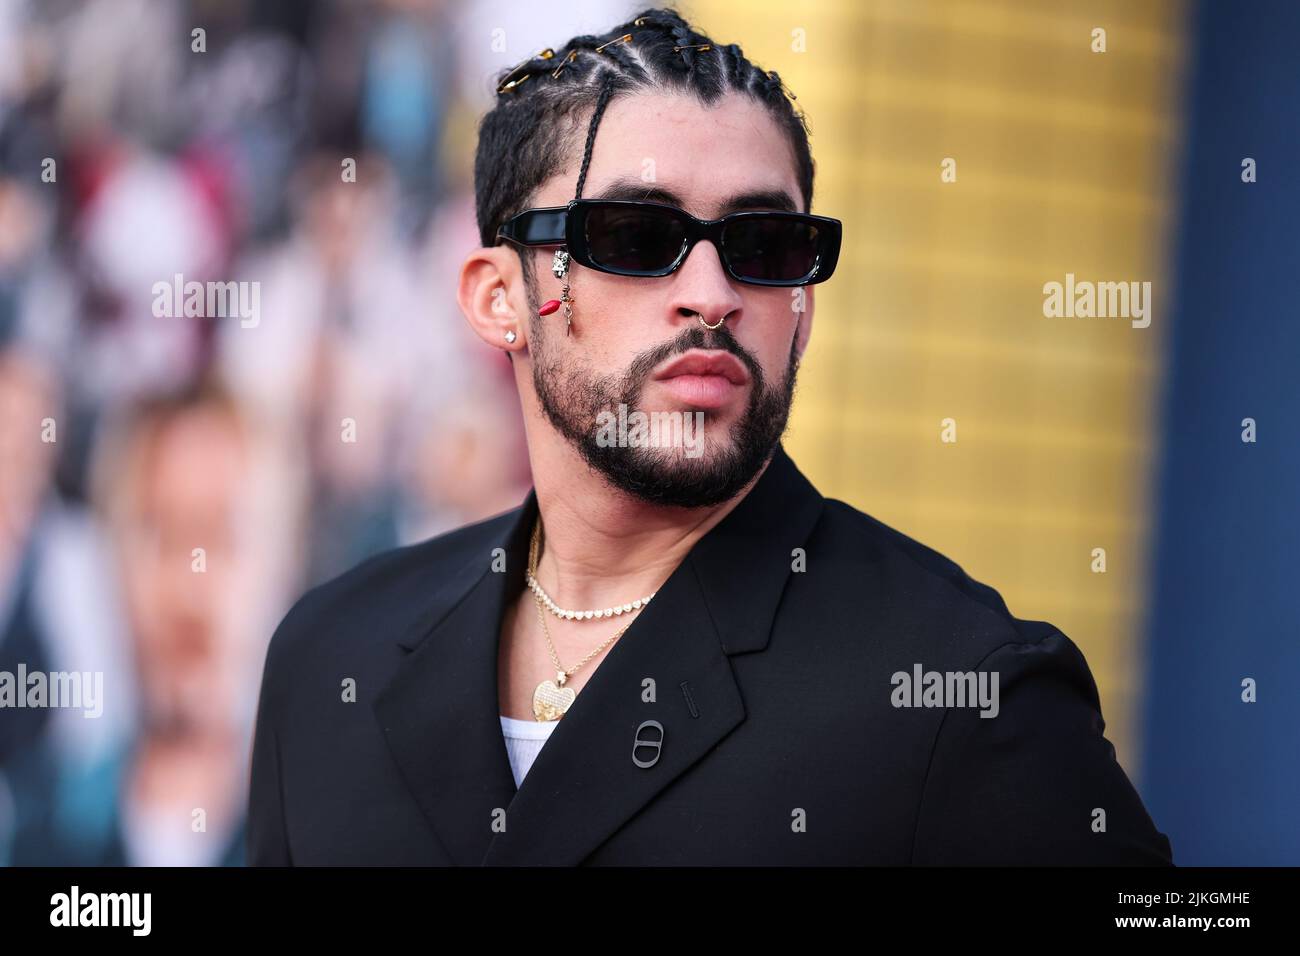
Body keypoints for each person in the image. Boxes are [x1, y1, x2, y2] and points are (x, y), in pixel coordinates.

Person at [248, 7, 1173, 866]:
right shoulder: (331, 659)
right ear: (502, 300)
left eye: (764, 244)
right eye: (635, 234)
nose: (712, 293)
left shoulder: (965, 693)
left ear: (802, 309)